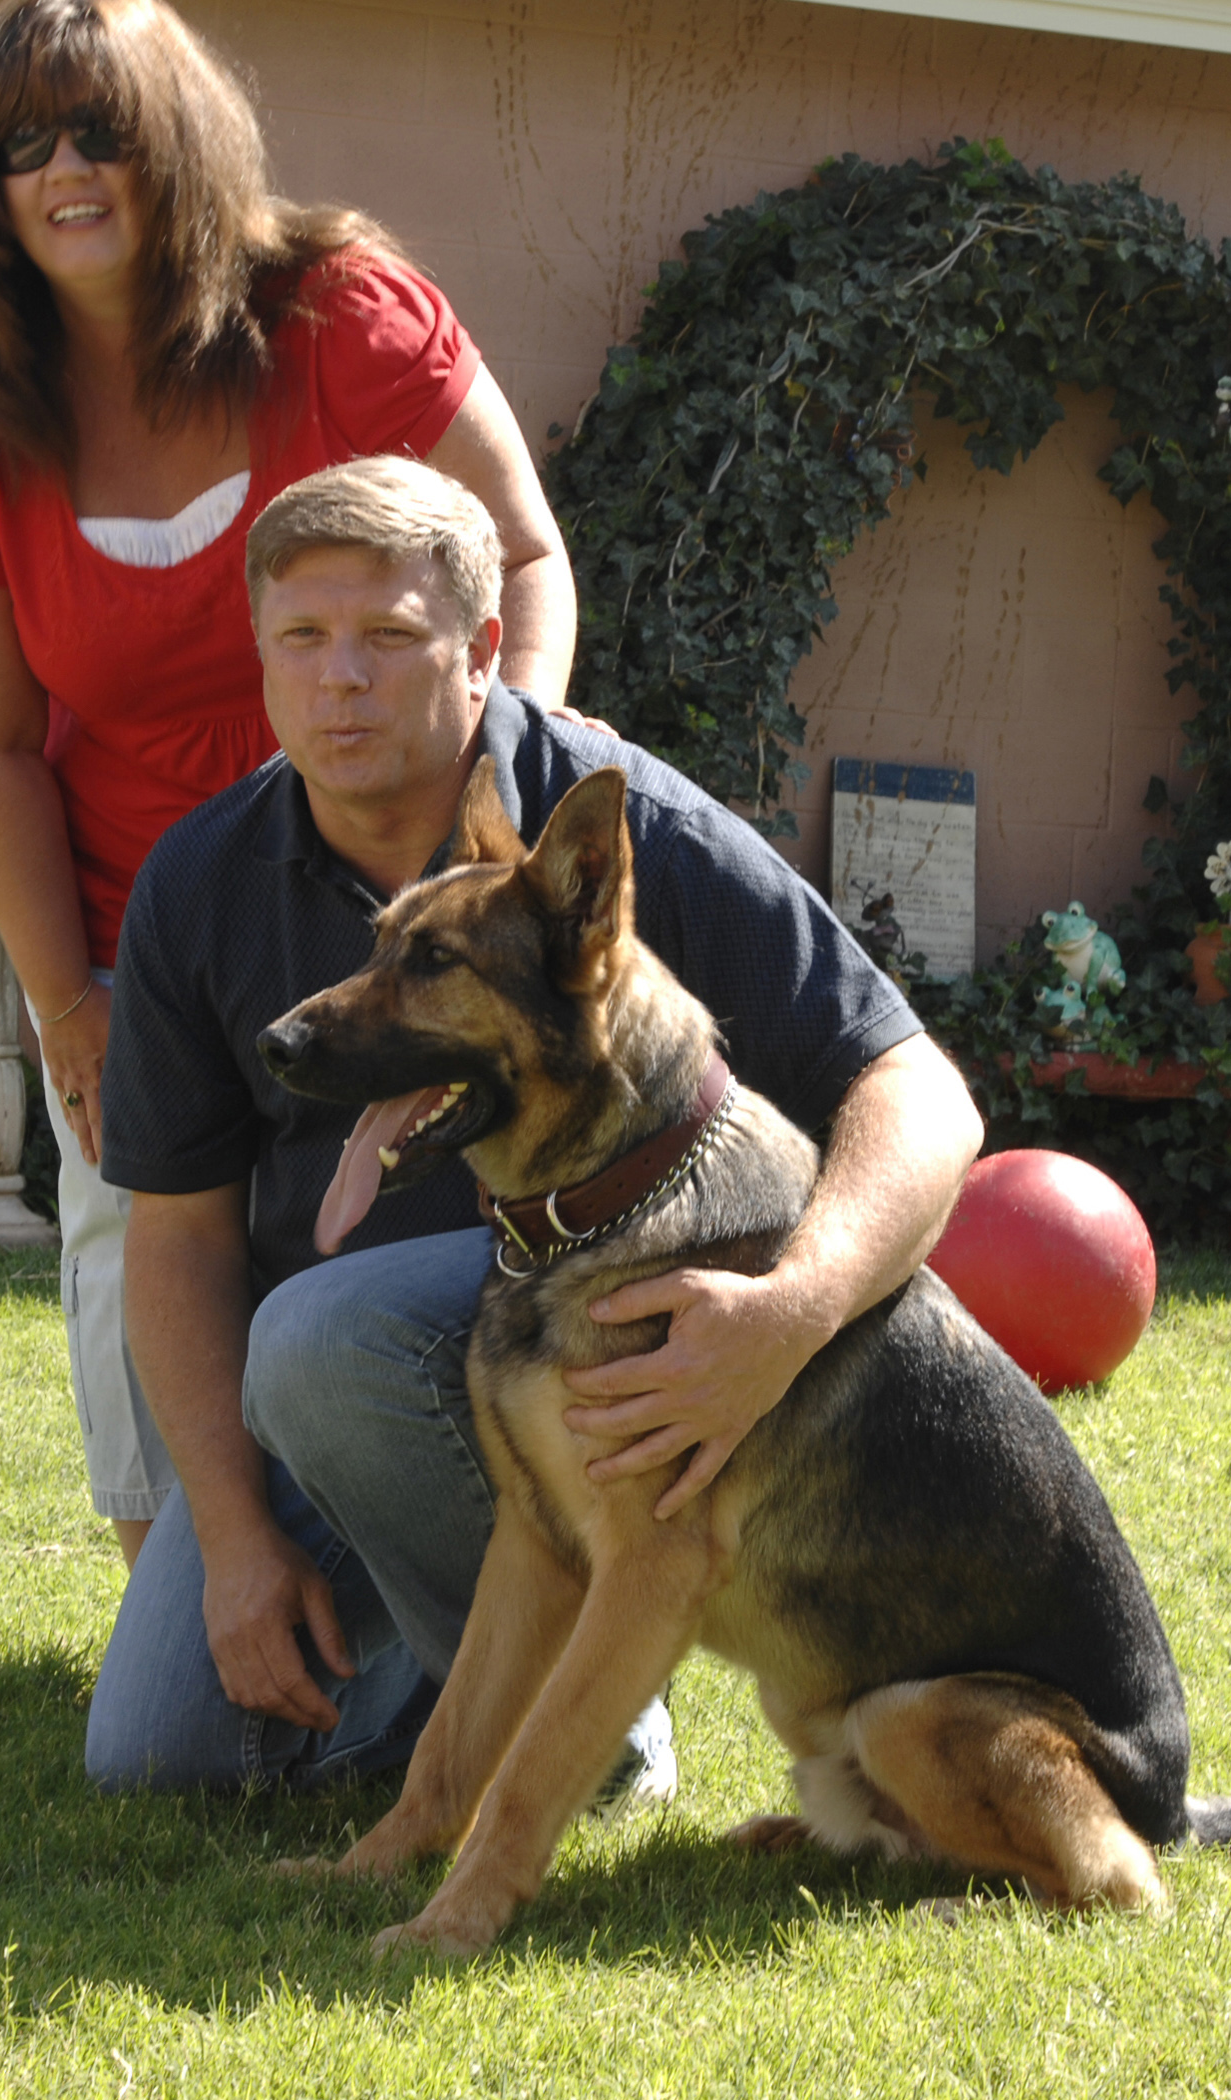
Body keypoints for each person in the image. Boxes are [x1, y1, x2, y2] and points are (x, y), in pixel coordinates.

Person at [83, 455, 985, 1797]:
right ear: (259, 653)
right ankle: (487, 1692)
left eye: (390, 638)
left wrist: (795, 1309)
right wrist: (232, 1539)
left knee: (333, 1329)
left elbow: (921, 1093)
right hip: (323, 1409)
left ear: (482, 648)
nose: (341, 678)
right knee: (164, 1756)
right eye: (303, 639)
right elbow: (177, 1242)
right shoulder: (202, 879)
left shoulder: (623, 836)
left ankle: (581, 1719)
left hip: (539, 1350)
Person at [0, 0, 576, 1570]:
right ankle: (201, 1591)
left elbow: (521, 560)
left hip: (404, 910)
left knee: (430, 1246)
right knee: (153, 1242)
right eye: (22, 144)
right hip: (152, 929)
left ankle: (511, 1575)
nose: (64, 168)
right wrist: (72, 1006)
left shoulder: (345, 319)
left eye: (102, 130)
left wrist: (493, 836)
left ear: (177, 141)